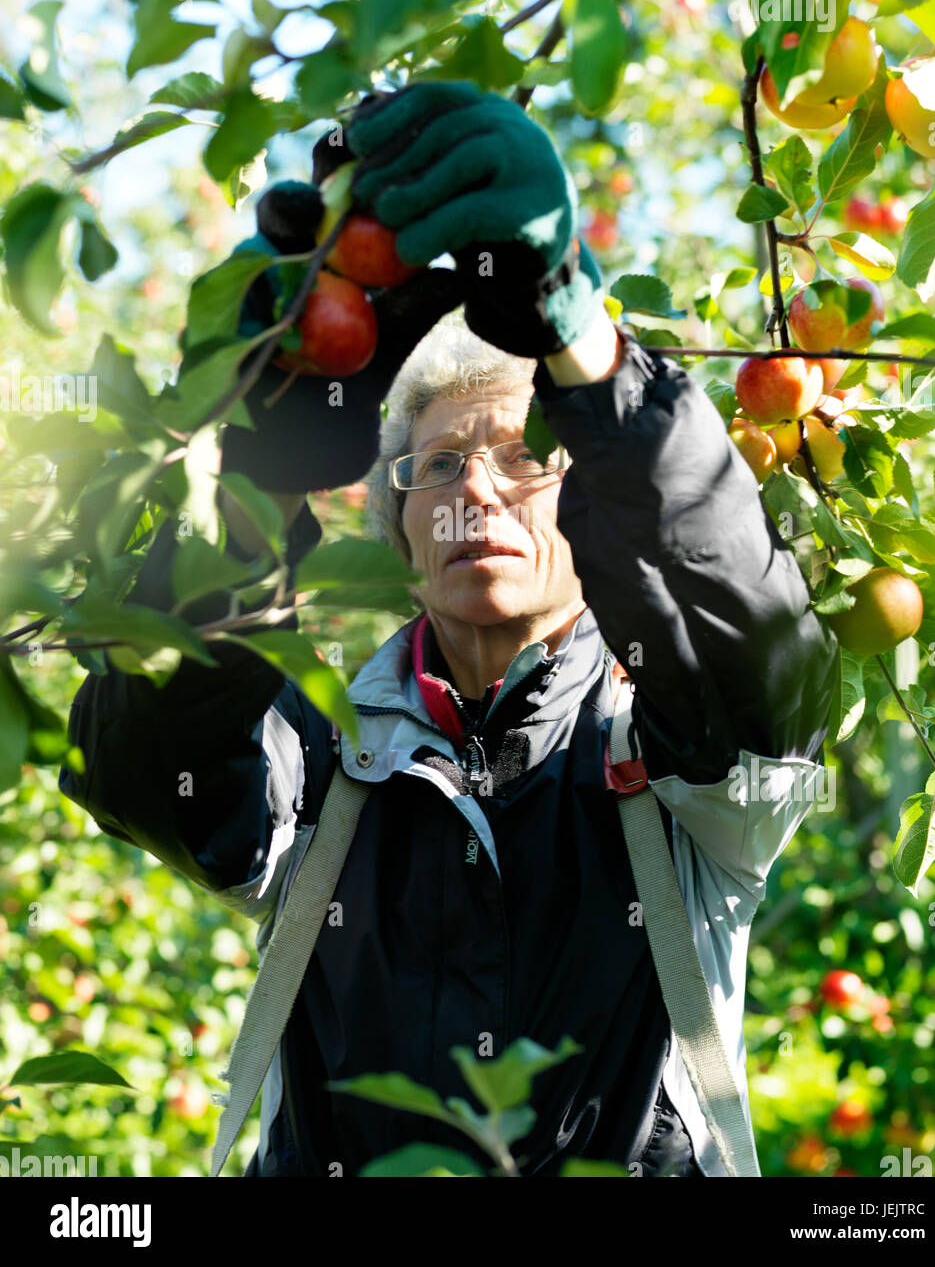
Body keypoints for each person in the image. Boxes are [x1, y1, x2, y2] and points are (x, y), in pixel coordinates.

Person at [60, 82, 838, 1177]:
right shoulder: (325, 763)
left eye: (524, 455)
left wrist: (589, 355)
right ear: (398, 533)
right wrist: (254, 489)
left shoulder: (672, 763)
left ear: (590, 505)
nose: (478, 485)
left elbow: (762, 670)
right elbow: (139, 760)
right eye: (435, 467)